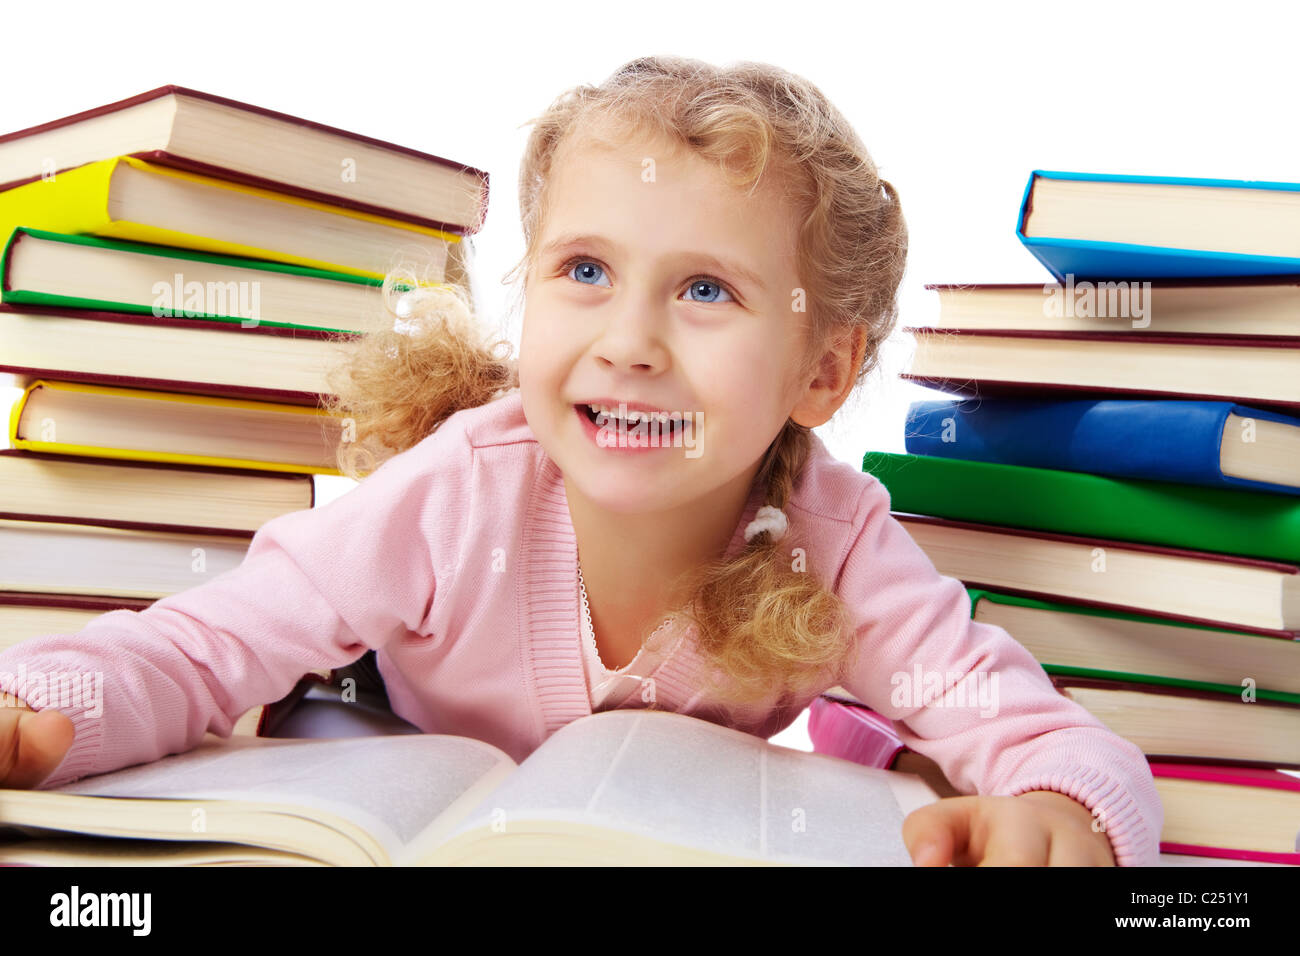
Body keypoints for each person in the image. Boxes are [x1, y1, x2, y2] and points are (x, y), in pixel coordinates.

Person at [0, 54, 1161, 866]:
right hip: (371, 736)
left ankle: (863, 734)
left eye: (706, 290)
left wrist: (1067, 814)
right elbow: (206, 645)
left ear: (821, 370)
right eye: (585, 272)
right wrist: (45, 709)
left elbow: (1046, 736)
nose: (628, 343)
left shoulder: (832, 537)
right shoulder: (457, 491)